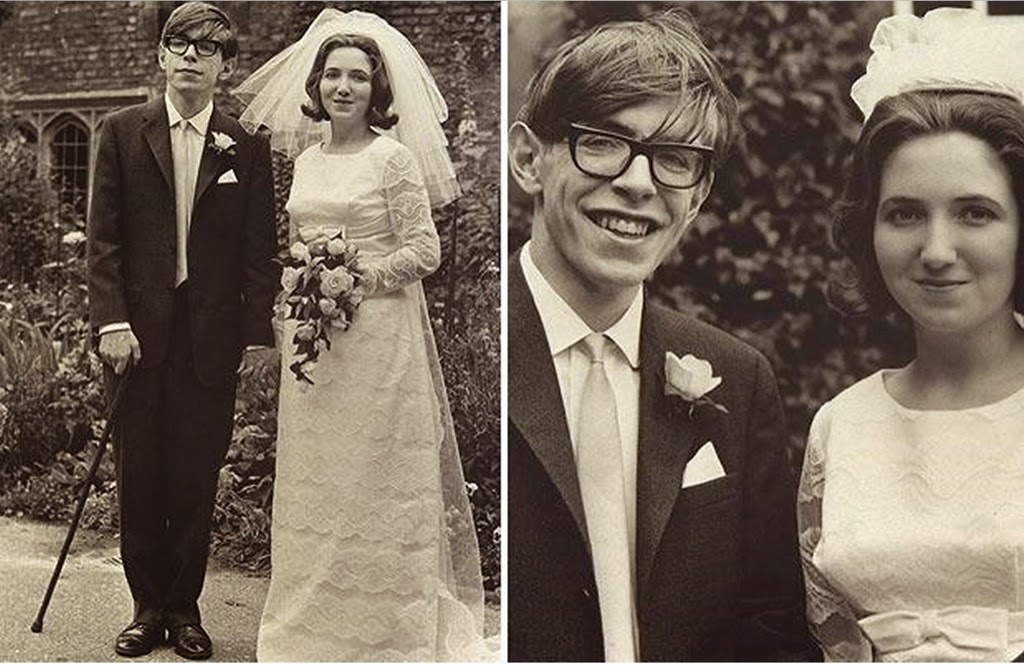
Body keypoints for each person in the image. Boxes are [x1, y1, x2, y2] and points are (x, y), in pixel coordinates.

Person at [507, 10, 809, 662]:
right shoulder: (477, 350)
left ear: (696, 198)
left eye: (674, 159)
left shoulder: (739, 377)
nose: (639, 184)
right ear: (529, 159)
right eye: (605, 142)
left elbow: (772, 630)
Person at [232, 9, 494, 661]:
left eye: (356, 76)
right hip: (315, 343)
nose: (343, 87)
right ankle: (309, 626)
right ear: (316, 85)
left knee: (375, 476)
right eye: (332, 75)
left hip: (378, 338)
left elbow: (424, 249)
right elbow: (296, 242)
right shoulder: (310, 158)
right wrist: (299, 286)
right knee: (320, 477)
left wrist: (356, 276)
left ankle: (385, 633)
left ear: (376, 90)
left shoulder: (392, 158)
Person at [798, 8, 1024, 662]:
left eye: (975, 213)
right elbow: (827, 630)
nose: (936, 249)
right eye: (904, 214)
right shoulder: (839, 426)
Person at [86, 2, 277, 660]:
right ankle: (146, 608)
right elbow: (103, 242)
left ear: (225, 65)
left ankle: (186, 607)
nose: (192, 56)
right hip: (135, 337)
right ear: (162, 58)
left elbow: (260, 252)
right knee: (140, 474)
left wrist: (257, 336)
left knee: (197, 476)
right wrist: (111, 321)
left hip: (210, 342)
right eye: (180, 45)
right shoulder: (119, 131)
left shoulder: (245, 146)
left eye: (207, 48)